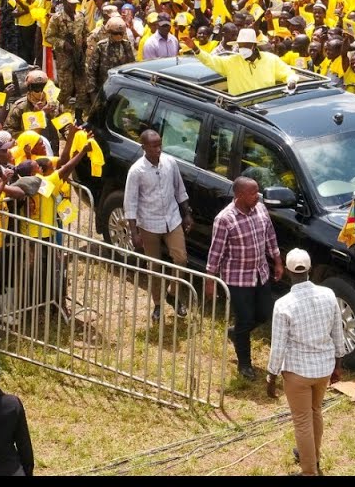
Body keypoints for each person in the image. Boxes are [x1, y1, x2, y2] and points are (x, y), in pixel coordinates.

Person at [266, 248, 345, 477]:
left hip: (297, 374)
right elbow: (337, 333)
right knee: (315, 412)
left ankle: (309, 471)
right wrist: (338, 365)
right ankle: (313, 457)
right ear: (309, 270)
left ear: (289, 272)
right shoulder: (328, 295)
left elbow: (278, 346)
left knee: (302, 421)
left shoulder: (283, 304)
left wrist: (271, 376)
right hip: (323, 369)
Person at [205, 176, 284, 380]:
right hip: (237, 279)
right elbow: (216, 252)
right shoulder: (225, 219)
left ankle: (236, 333)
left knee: (265, 314)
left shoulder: (261, 209)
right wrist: (210, 280)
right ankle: (245, 364)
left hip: (261, 273)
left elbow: (270, 236)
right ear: (239, 195)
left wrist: (277, 261)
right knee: (245, 319)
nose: (257, 196)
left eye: (257, 191)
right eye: (252, 193)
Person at [124, 129, 192, 320]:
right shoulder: (137, 171)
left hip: (172, 219)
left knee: (181, 260)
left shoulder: (170, 163)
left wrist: (186, 213)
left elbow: (180, 189)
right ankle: (158, 305)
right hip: (149, 223)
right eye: (153, 146)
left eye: (159, 144)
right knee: (153, 267)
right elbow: (130, 203)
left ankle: (172, 294)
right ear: (143, 147)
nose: (158, 149)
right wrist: (133, 232)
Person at [191, 28, 299, 96]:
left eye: (246, 45)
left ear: (254, 45)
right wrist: (196, 49)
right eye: (240, 45)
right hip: (242, 112)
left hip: (266, 109)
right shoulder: (231, 62)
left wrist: (291, 81)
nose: (242, 48)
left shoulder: (271, 59)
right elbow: (210, 60)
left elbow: (288, 74)